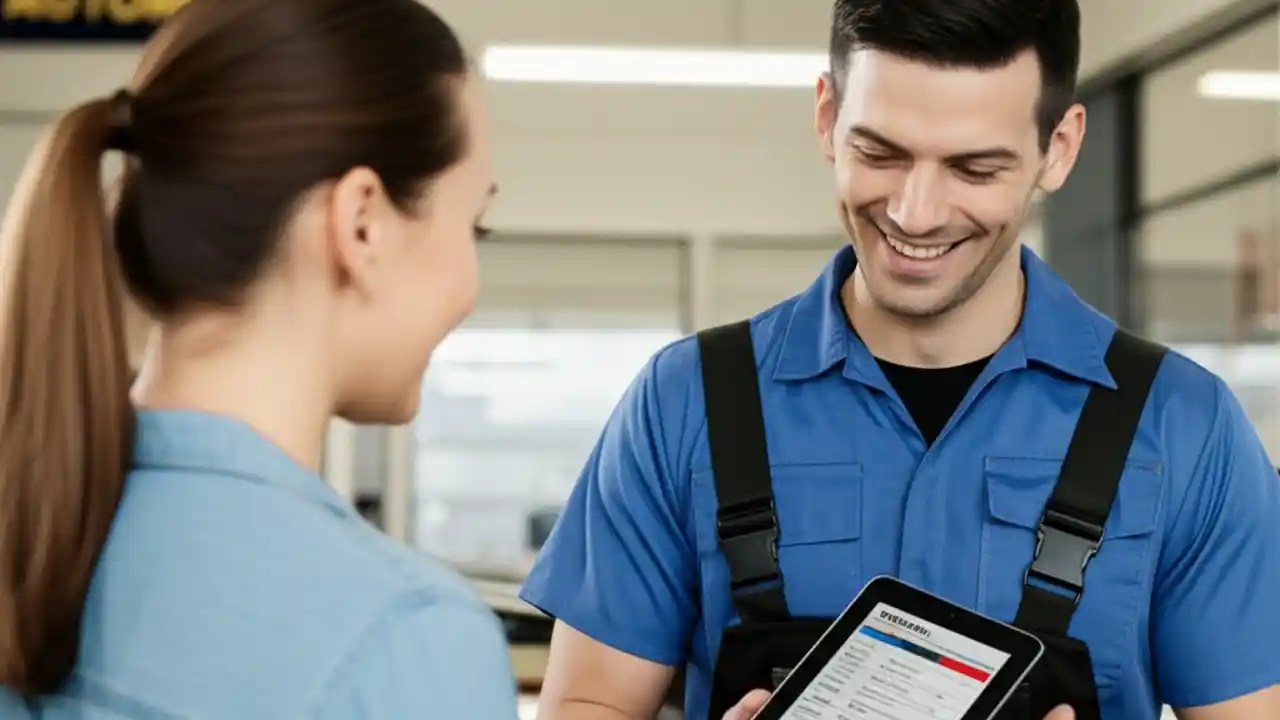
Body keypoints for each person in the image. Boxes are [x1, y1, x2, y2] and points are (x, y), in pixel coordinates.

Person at [521, 1, 1280, 719]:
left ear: (1060, 148)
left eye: (974, 169)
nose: (916, 214)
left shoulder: (1185, 427)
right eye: (879, 153)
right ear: (826, 117)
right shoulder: (684, 403)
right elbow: (587, 703)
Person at [0, 0, 518, 717]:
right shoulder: (407, 638)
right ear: (361, 222)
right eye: (475, 225)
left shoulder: (30, 546)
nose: (470, 282)